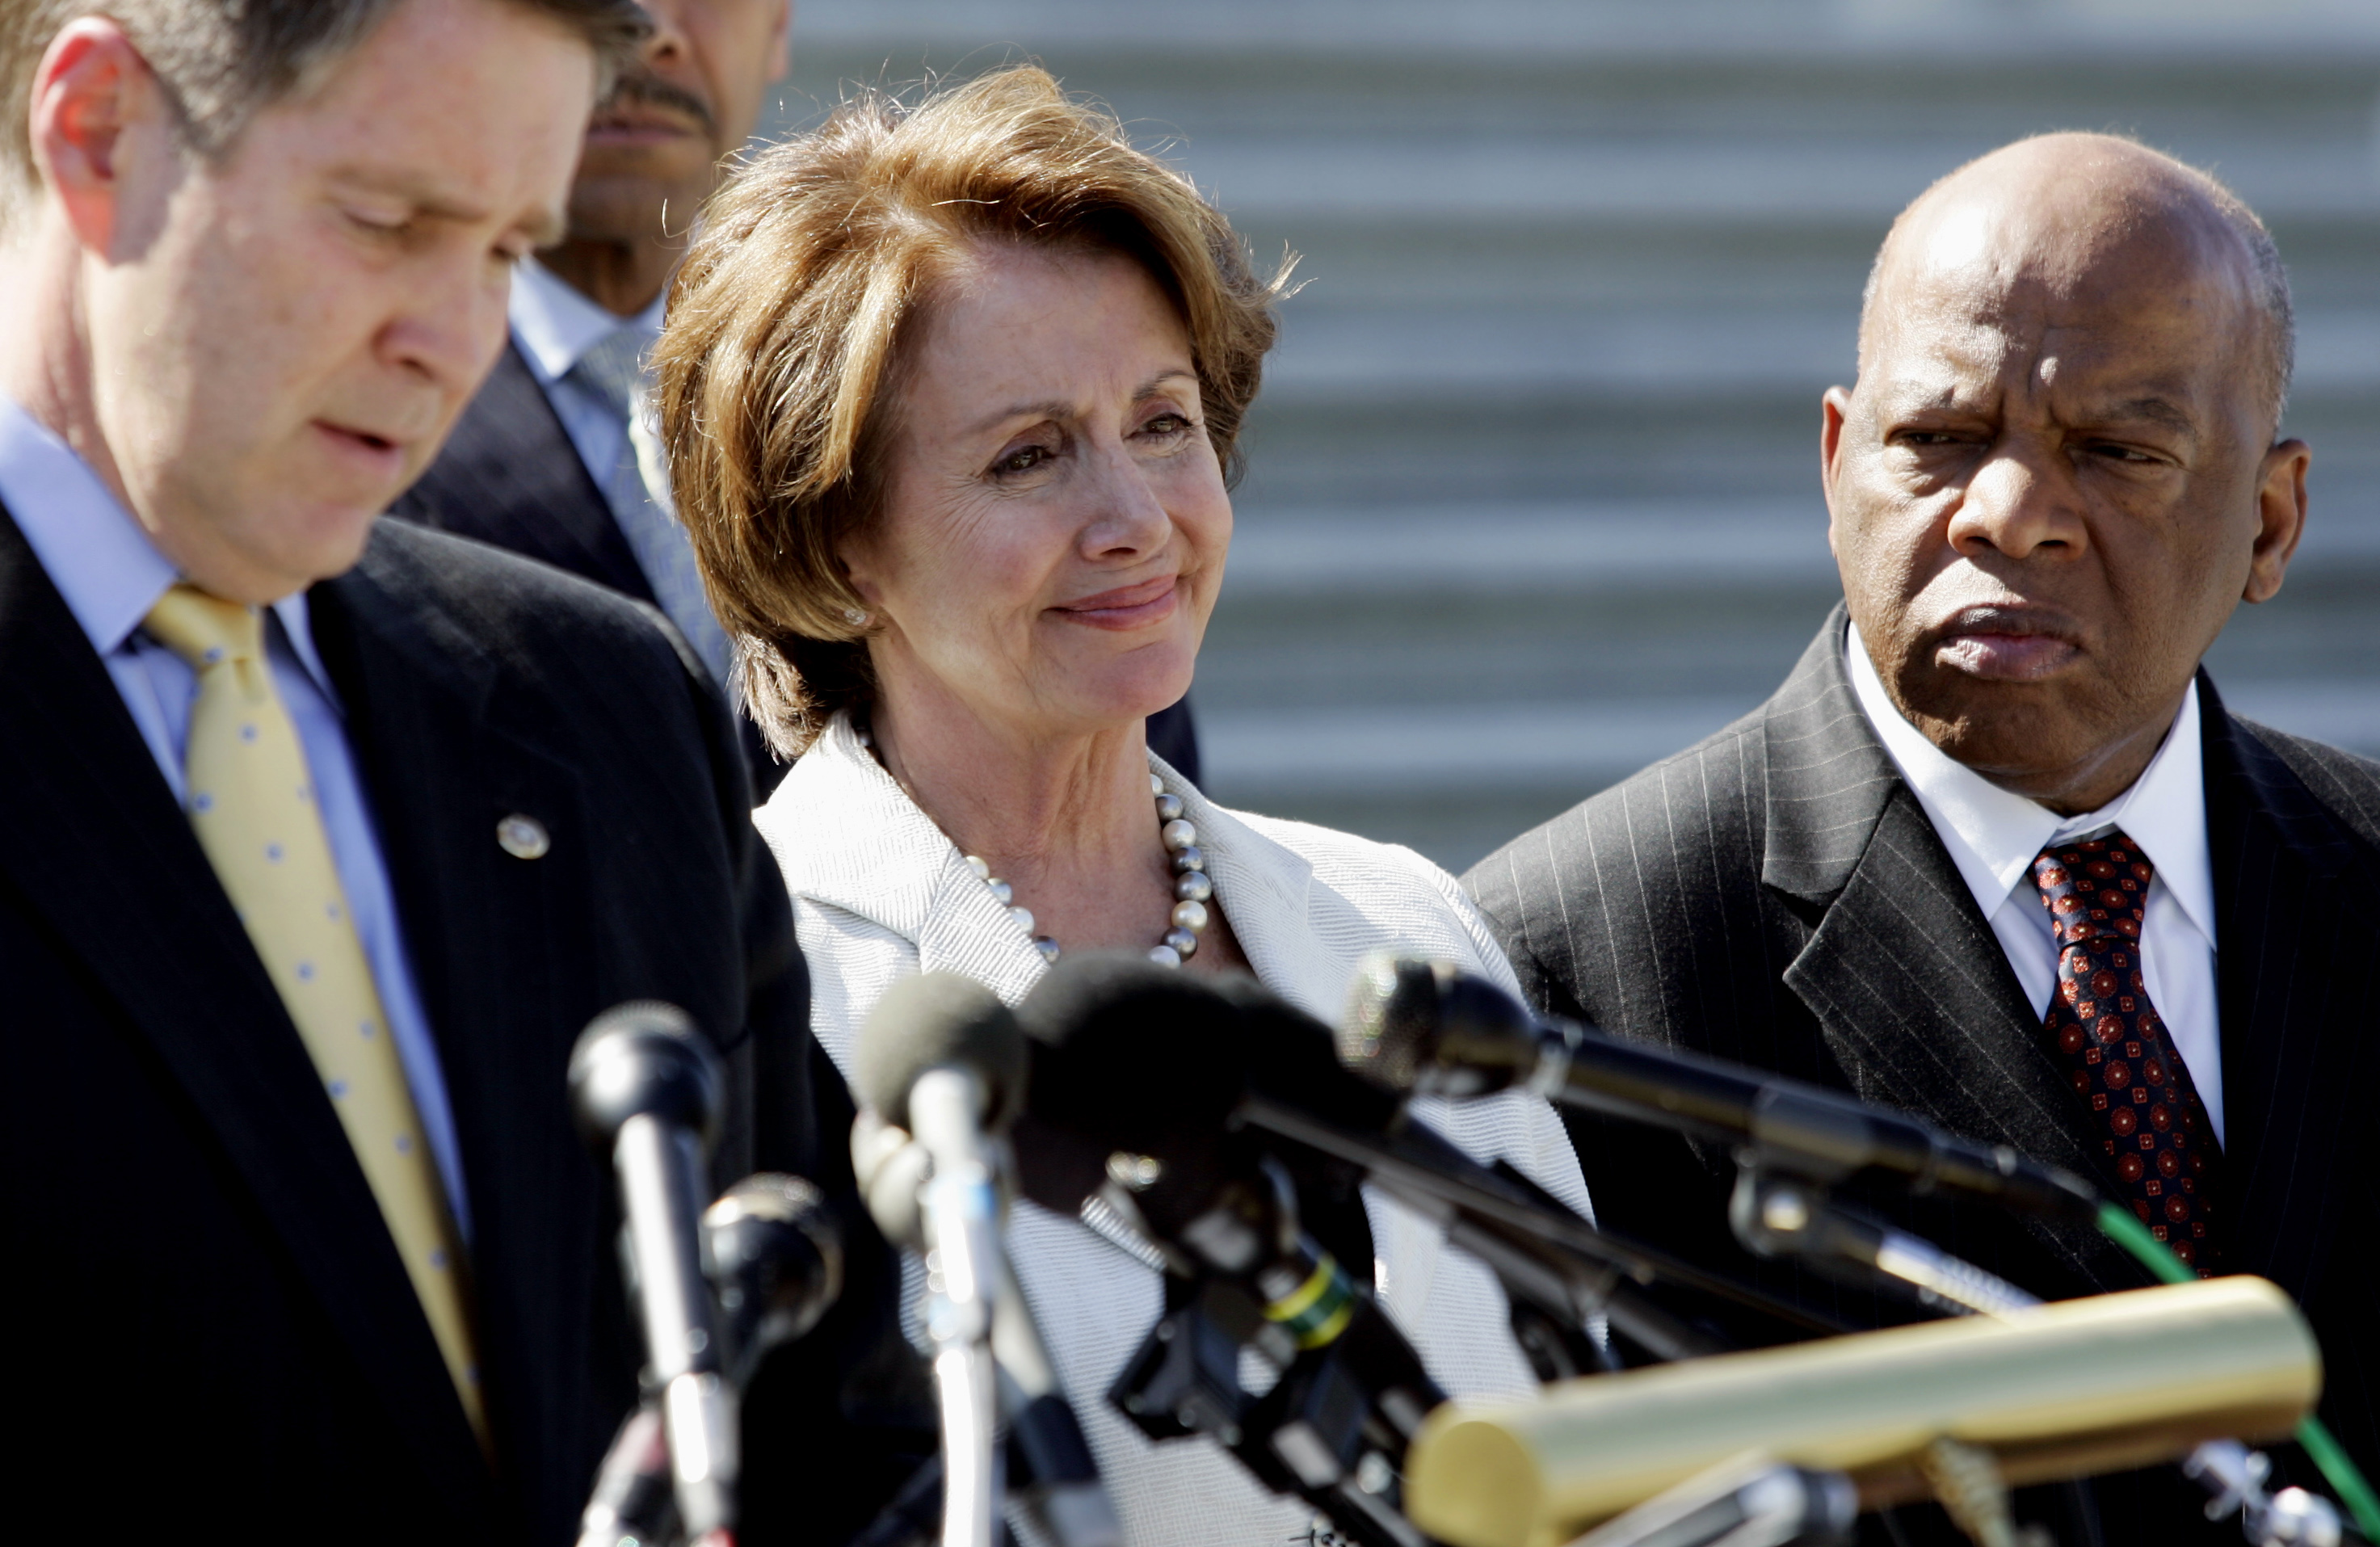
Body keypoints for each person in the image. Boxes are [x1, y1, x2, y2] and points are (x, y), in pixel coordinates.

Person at [653, 65, 1589, 1547]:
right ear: (835, 556)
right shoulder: (753, 997)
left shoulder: (1404, 920)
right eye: (1029, 456)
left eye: (1162, 422)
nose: (1138, 517)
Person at [1465, 132, 2375, 1541]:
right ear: (1837, 464)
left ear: (2270, 522)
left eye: (2119, 452)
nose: (2007, 514)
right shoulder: (1556, 974)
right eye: (1938, 441)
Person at [0, 2, 824, 1541]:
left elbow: (830, 1414)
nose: (455, 341)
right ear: (99, 125)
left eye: (507, 249)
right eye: (389, 224)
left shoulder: (607, 708)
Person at [385, 0, 1204, 796]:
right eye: (1025, 457)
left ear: (778, 22)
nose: (650, 30)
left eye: (1163, 425)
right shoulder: (354, 418)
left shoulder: (1021, 353)